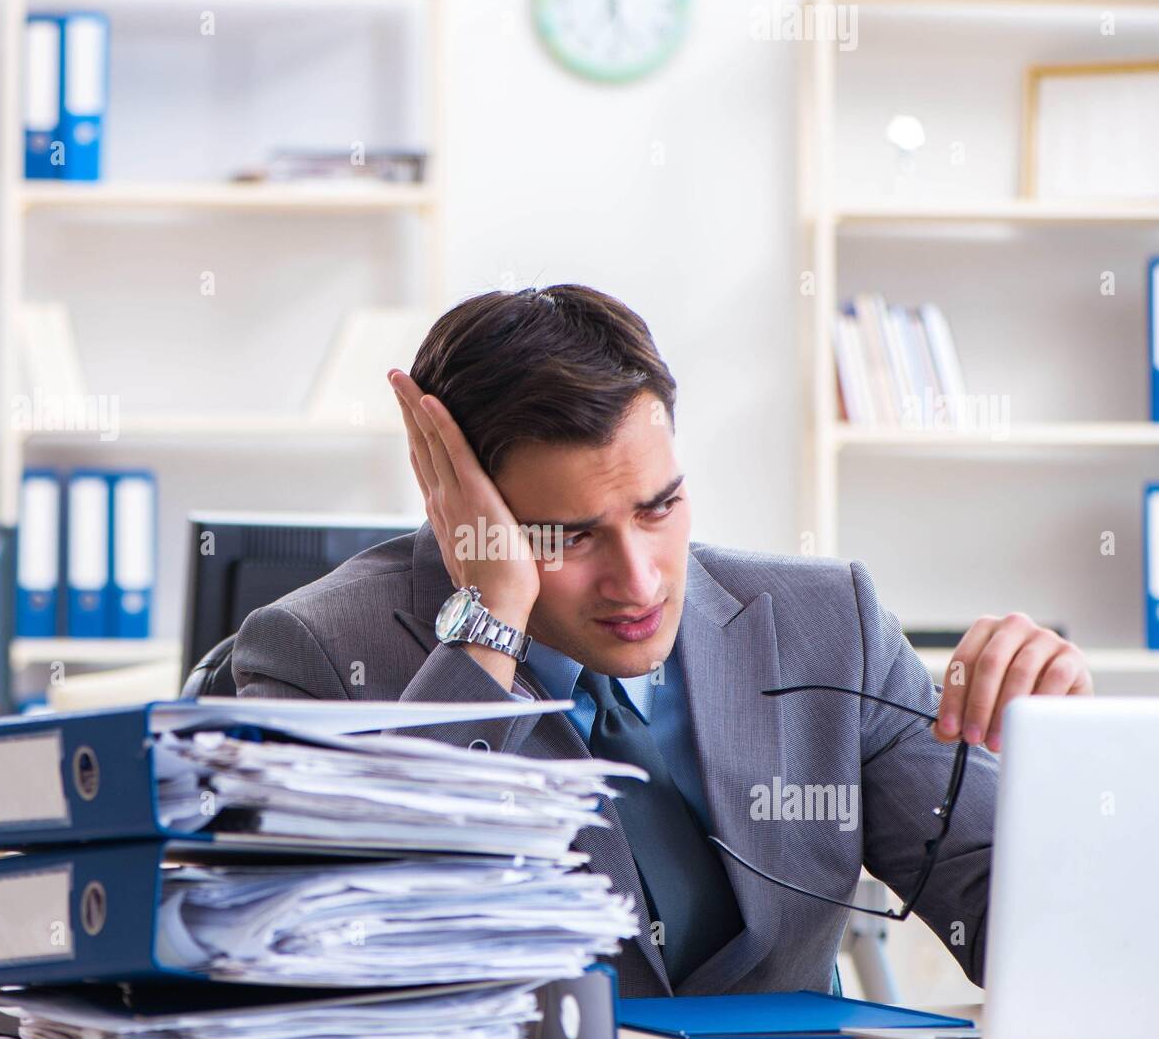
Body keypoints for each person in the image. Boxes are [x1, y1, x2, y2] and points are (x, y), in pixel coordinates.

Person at [233, 284, 1091, 998]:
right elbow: (333, 969)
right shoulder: (314, 651)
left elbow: (1040, 950)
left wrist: (1068, 771)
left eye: (659, 507)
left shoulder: (831, 626)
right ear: (460, 512)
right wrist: (487, 626)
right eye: (565, 536)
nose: (641, 582)